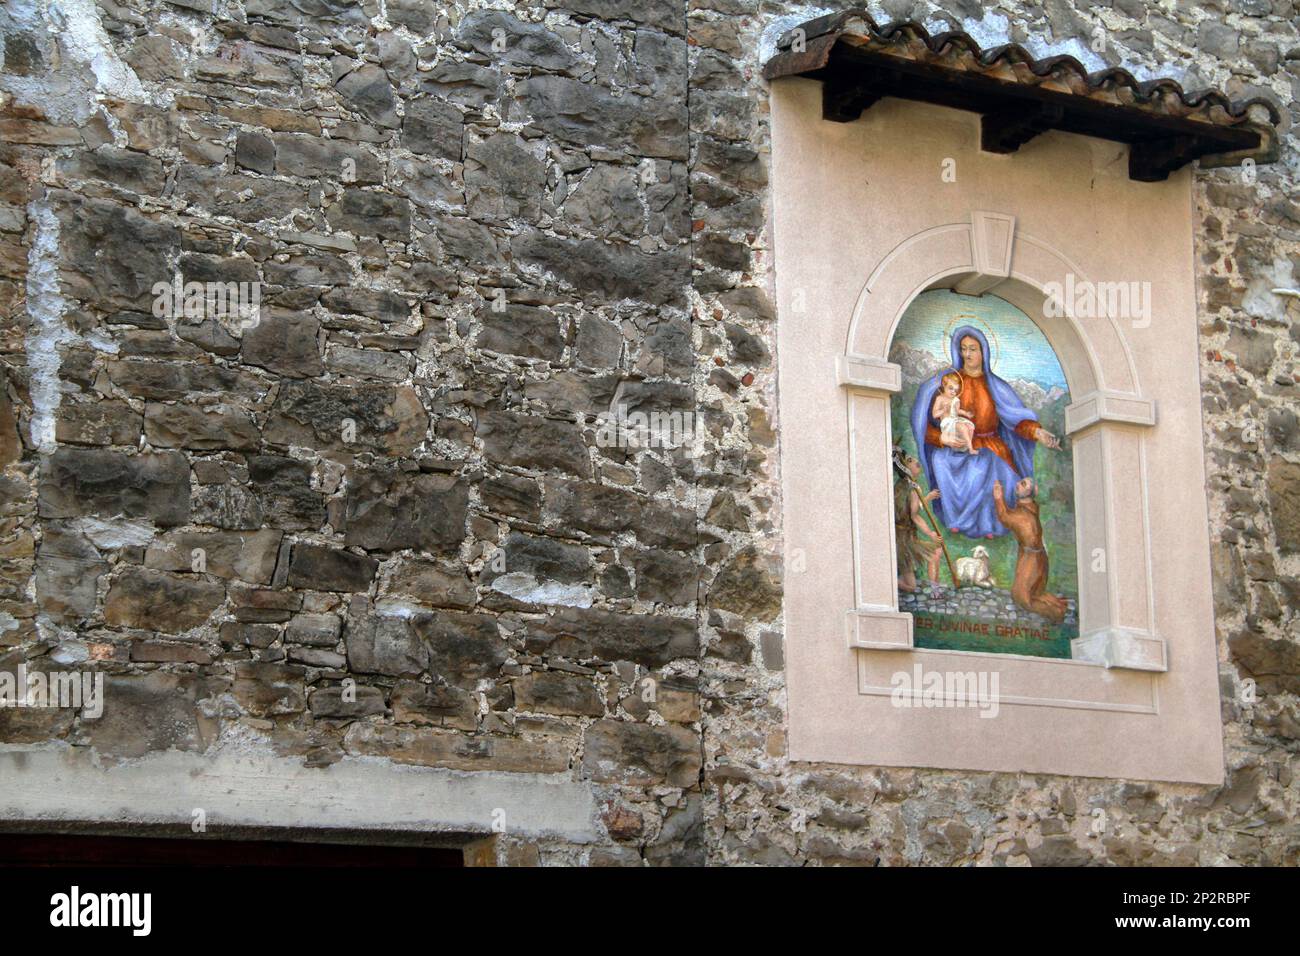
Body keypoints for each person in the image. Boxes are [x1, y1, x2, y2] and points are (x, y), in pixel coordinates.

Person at [910, 325, 1060, 539]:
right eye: (963, 349)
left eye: (973, 349)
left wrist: (1038, 433)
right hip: (956, 446)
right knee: (944, 463)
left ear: (984, 353)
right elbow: (926, 427)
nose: (967, 354)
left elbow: (1015, 420)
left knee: (988, 465)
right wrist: (943, 440)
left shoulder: (996, 387)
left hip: (990, 445)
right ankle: (957, 521)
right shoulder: (949, 385)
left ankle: (992, 523)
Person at [992, 477, 1069, 624]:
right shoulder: (1031, 507)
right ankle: (1056, 603)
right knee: (1035, 592)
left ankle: (1056, 612)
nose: (1017, 485)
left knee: (1021, 598)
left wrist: (998, 497)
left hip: (1031, 560)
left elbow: (1005, 517)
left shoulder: (1023, 515)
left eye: (1023, 484)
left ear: (1031, 491)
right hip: (1038, 556)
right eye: (1020, 482)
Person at [893, 448, 943, 598]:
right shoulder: (911, 488)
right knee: (936, 552)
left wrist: (927, 497)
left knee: (910, 586)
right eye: (910, 461)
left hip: (902, 536)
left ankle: (889, 581)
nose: (916, 462)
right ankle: (935, 591)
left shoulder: (903, 486)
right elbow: (914, 516)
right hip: (904, 539)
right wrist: (930, 533)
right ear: (905, 468)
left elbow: (911, 509)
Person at [932, 371, 977, 455]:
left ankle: (964, 447)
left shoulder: (955, 400)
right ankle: (971, 449)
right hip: (947, 423)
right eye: (951, 388)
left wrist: (966, 413)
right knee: (963, 427)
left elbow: (957, 411)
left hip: (955, 420)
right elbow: (934, 415)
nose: (953, 392)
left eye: (956, 390)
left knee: (970, 426)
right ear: (944, 385)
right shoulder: (940, 399)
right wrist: (943, 410)